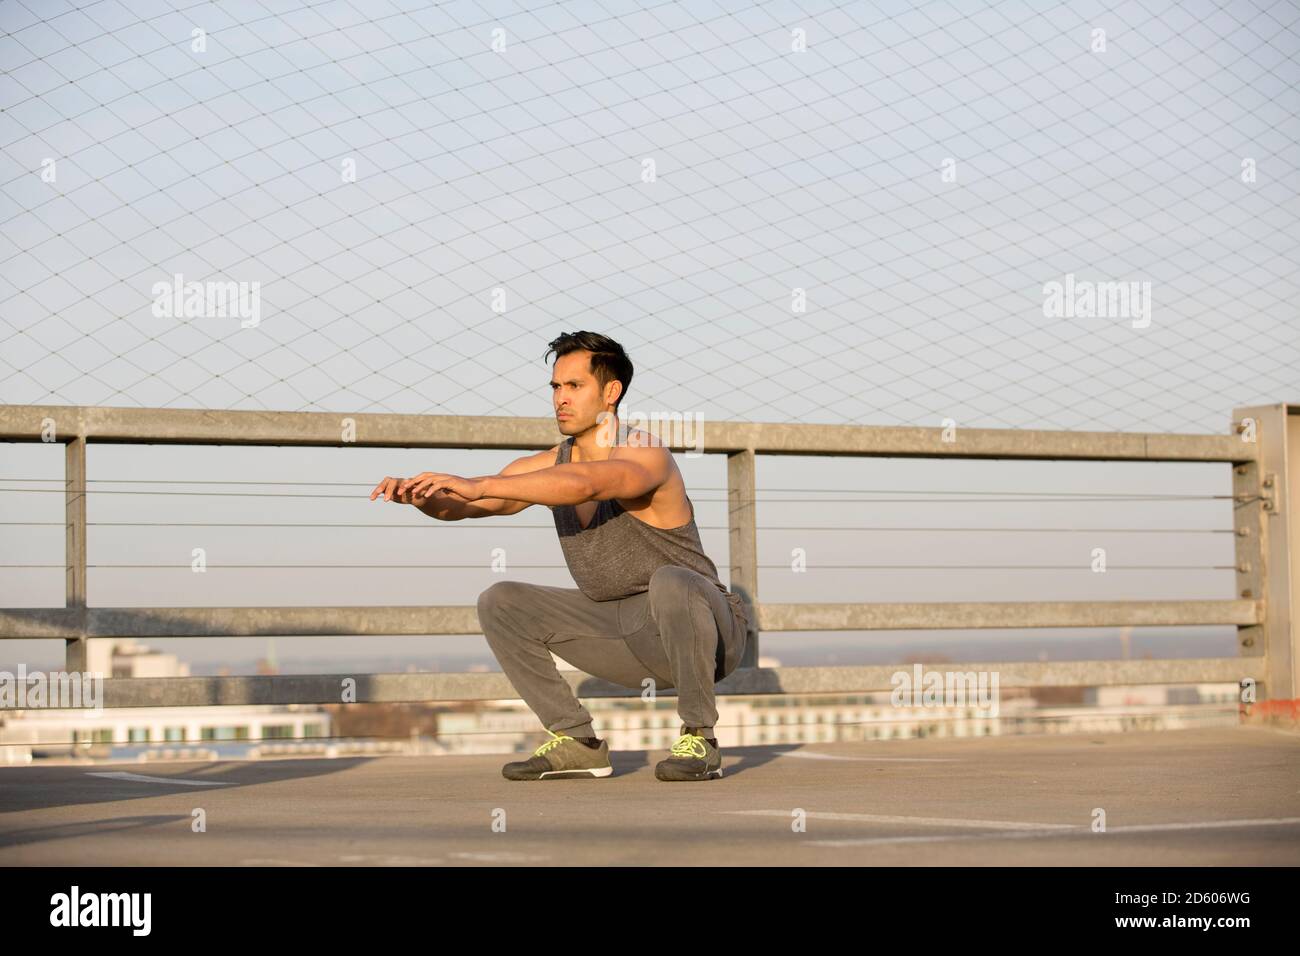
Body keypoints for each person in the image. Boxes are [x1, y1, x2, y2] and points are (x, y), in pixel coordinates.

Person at [370, 331, 751, 781]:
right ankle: (577, 743)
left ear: (611, 392)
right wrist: (422, 498)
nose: (560, 399)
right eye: (555, 387)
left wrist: (482, 483)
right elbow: (467, 506)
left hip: (706, 634)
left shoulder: (645, 452)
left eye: (574, 386)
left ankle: (700, 739)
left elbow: (588, 484)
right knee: (502, 600)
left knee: (673, 580)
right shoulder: (550, 463)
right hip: (622, 634)